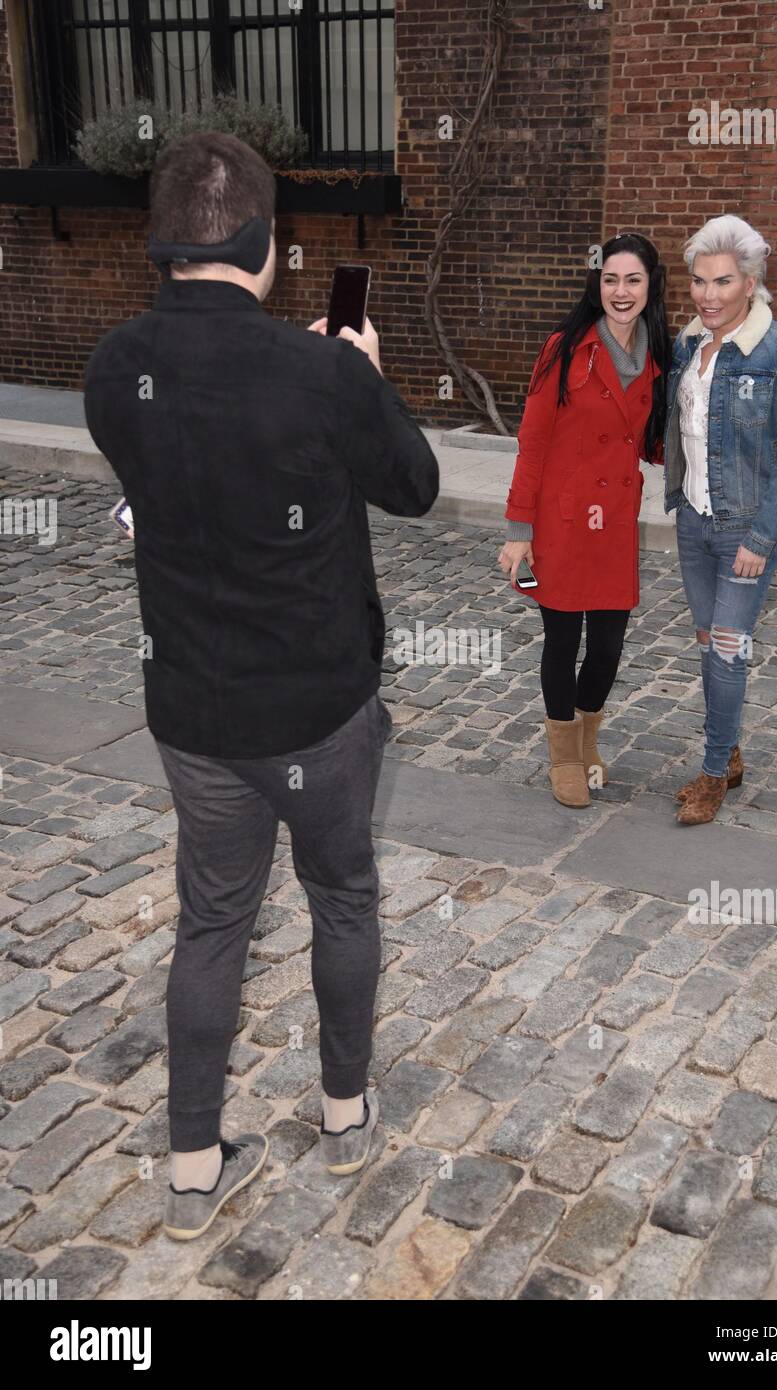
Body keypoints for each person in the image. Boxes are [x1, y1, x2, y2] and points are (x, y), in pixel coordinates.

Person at [83, 132, 439, 1240]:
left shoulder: (112, 368)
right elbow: (415, 486)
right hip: (321, 712)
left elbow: (158, 484)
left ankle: (192, 1171)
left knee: (211, 925)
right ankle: (342, 1112)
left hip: (195, 713)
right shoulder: (322, 371)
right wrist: (363, 379)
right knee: (342, 897)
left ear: (163, 242)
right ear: (264, 244)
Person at [498, 234, 670, 806]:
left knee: (608, 647)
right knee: (562, 640)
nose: (621, 292)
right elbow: (533, 442)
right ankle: (564, 756)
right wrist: (520, 530)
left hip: (615, 520)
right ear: (597, 286)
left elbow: (654, 442)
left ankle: (588, 737)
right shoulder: (566, 348)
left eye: (633, 280)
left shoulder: (659, 355)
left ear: (650, 286)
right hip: (565, 521)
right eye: (610, 280)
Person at [664, 214, 777, 825]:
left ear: (750, 283)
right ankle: (727, 752)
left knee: (727, 646)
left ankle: (711, 773)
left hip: (747, 527)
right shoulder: (687, 346)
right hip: (694, 522)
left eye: (722, 282)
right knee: (709, 641)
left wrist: (762, 535)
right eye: (699, 282)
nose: (708, 294)